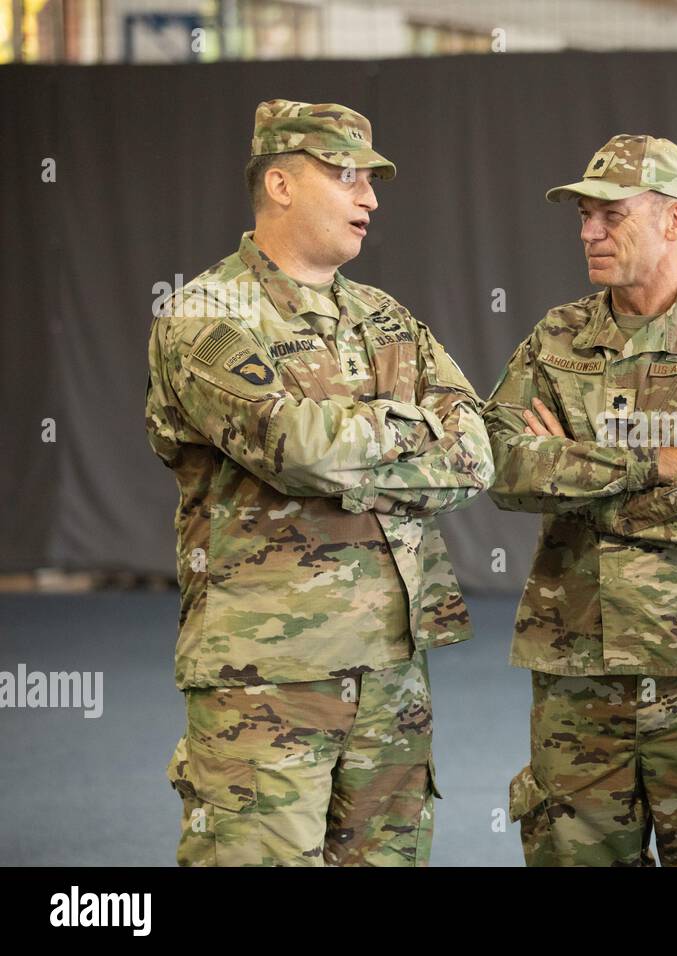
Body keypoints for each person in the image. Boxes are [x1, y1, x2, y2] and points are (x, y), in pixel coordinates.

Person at [144, 99, 493, 866]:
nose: (369, 198)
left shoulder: (385, 318)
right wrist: (410, 434)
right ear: (279, 184)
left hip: (393, 672)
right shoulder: (204, 317)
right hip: (266, 681)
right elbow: (295, 447)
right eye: (346, 176)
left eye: (372, 181)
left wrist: (358, 446)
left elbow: (477, 450)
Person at [483, 133, 677, 866]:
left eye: (611, 215)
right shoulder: (553, 339)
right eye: (584, 216)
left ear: (675, 221)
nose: (589, 232)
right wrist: (651, 465)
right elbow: (495, 465)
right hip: (577, 670)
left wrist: (572, 476)